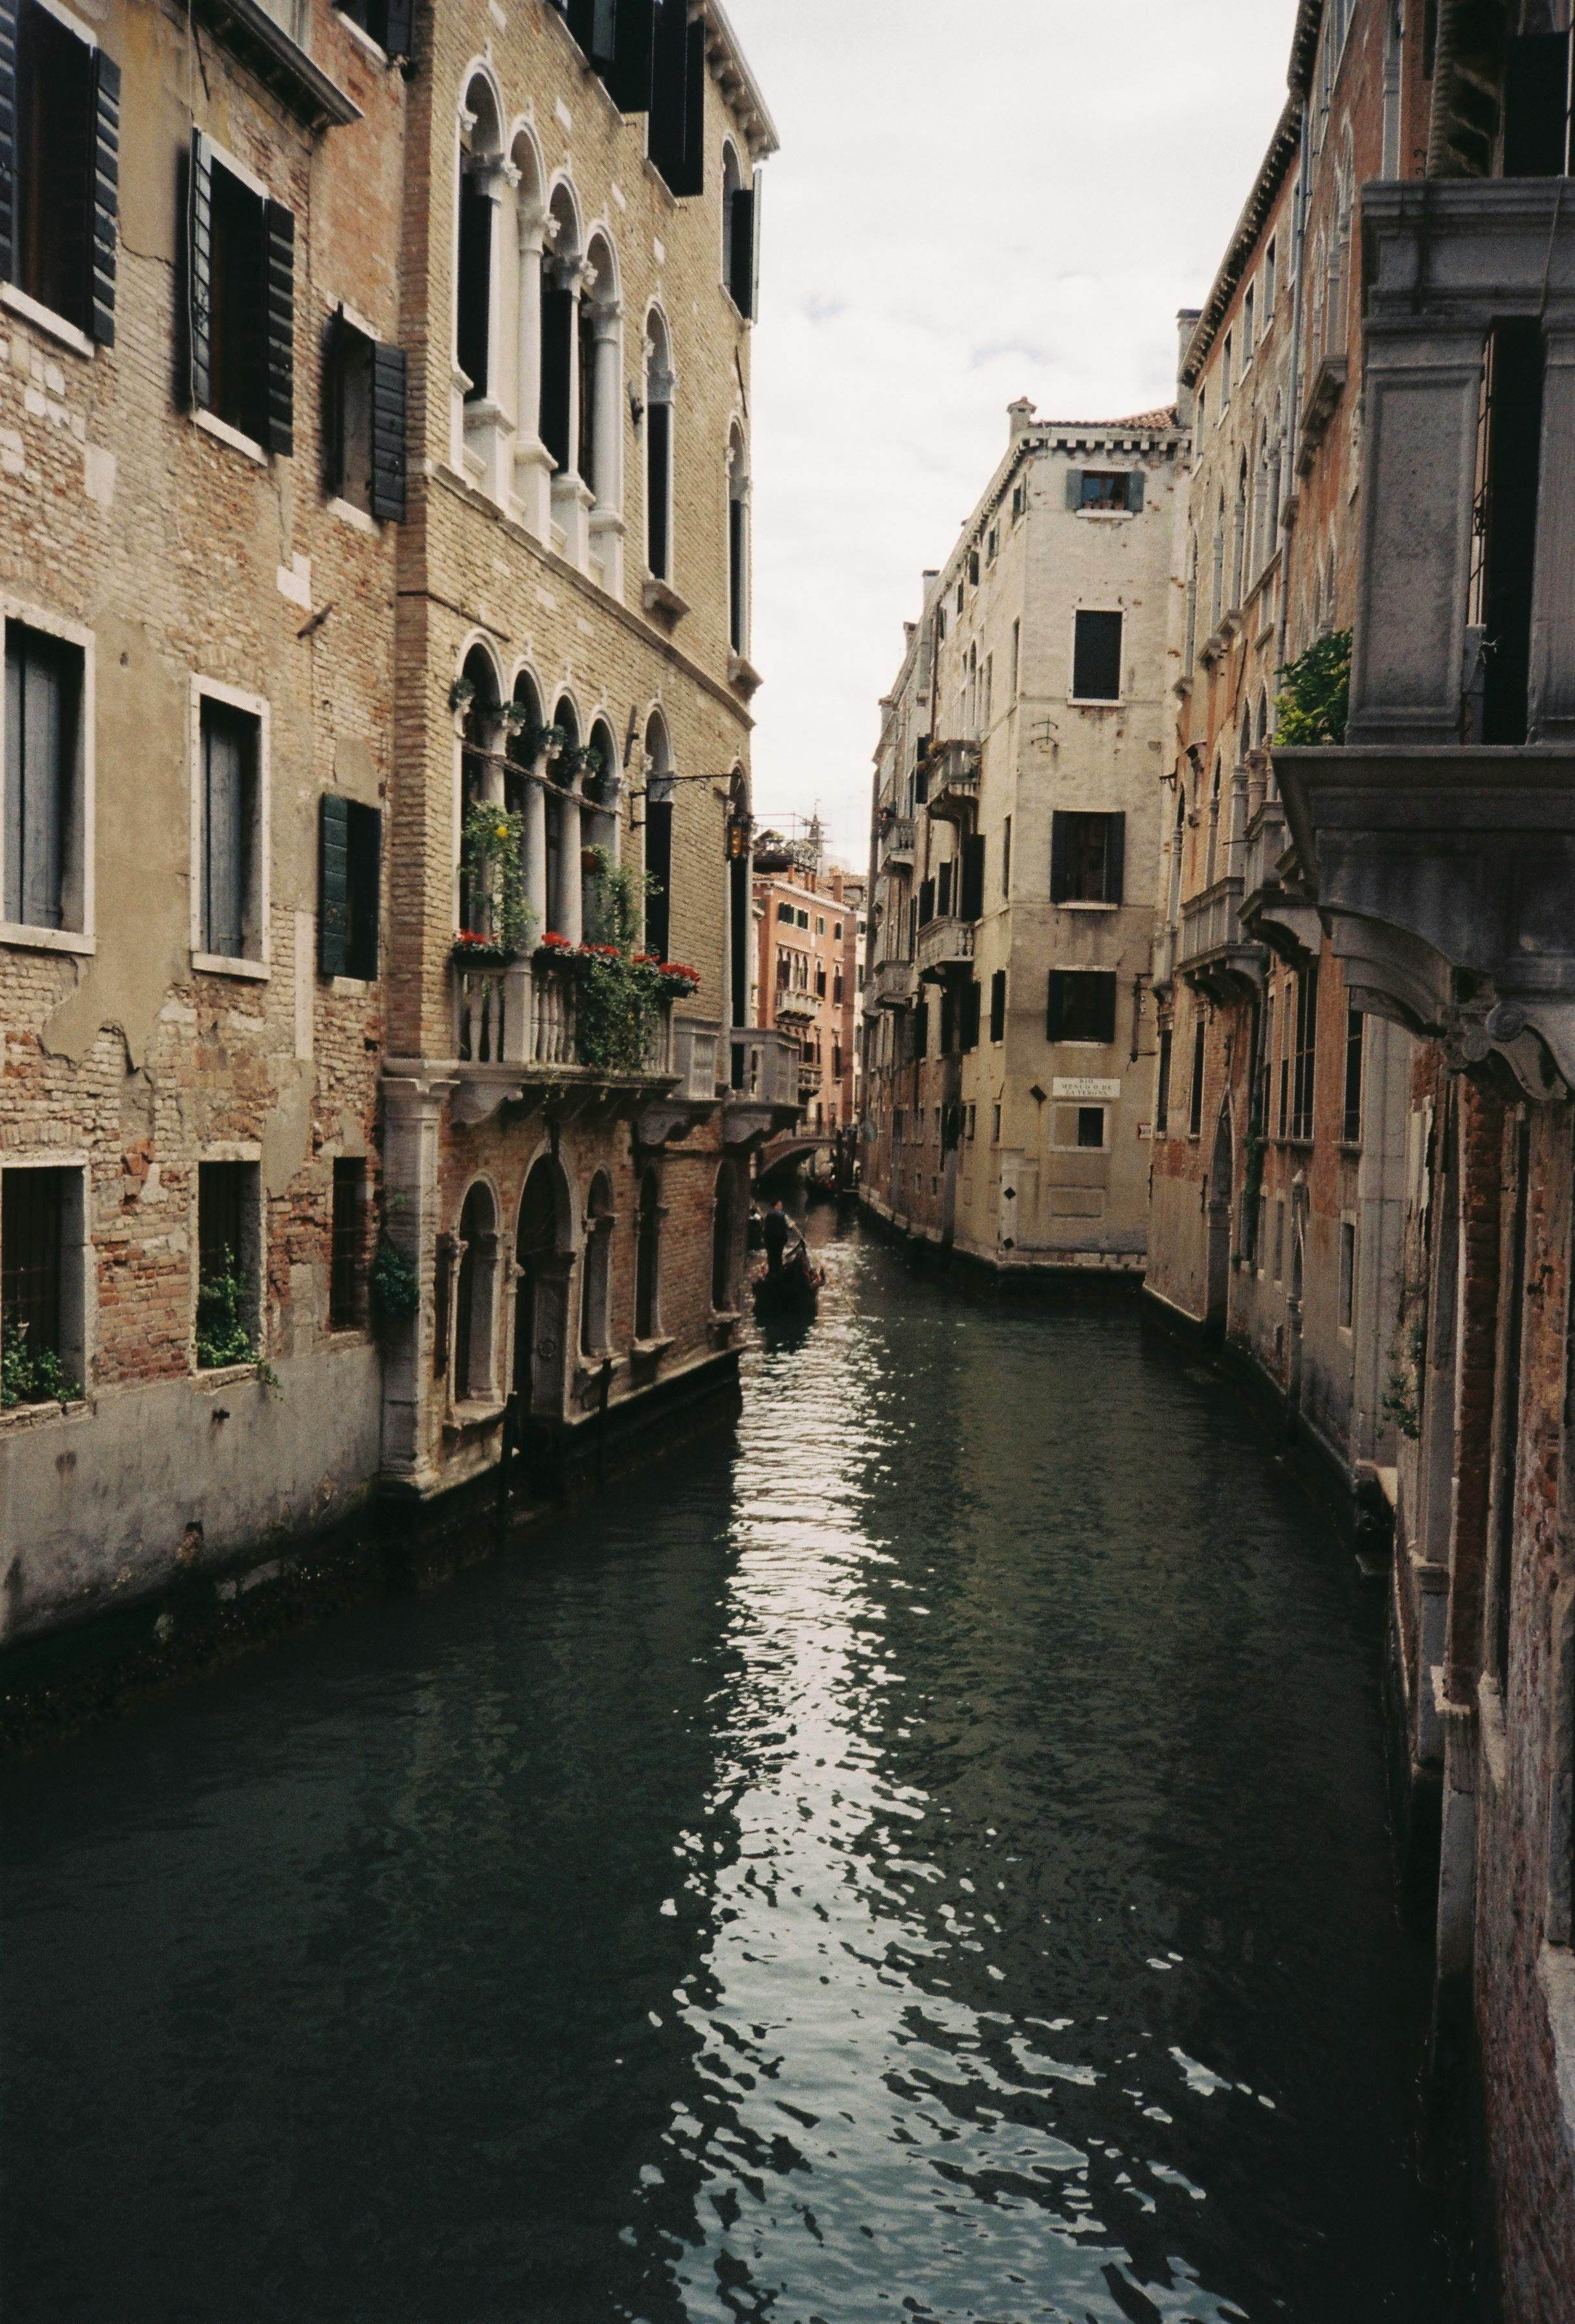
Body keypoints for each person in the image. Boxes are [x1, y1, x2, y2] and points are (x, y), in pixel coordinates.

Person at [762, 1196, 790, 1277]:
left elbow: (765, 1229)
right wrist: (792, 1226)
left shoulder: (768, 1215)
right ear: (776, 1205)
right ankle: (779, 1273)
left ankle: (771, 1273)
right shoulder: (783, 1215)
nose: (781, 1207)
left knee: (771, 1257)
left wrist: (765, 1241)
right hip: (779, 1241)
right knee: (778, 1257)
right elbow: (787, 1227)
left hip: (769, 1241)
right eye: (780, 1205)